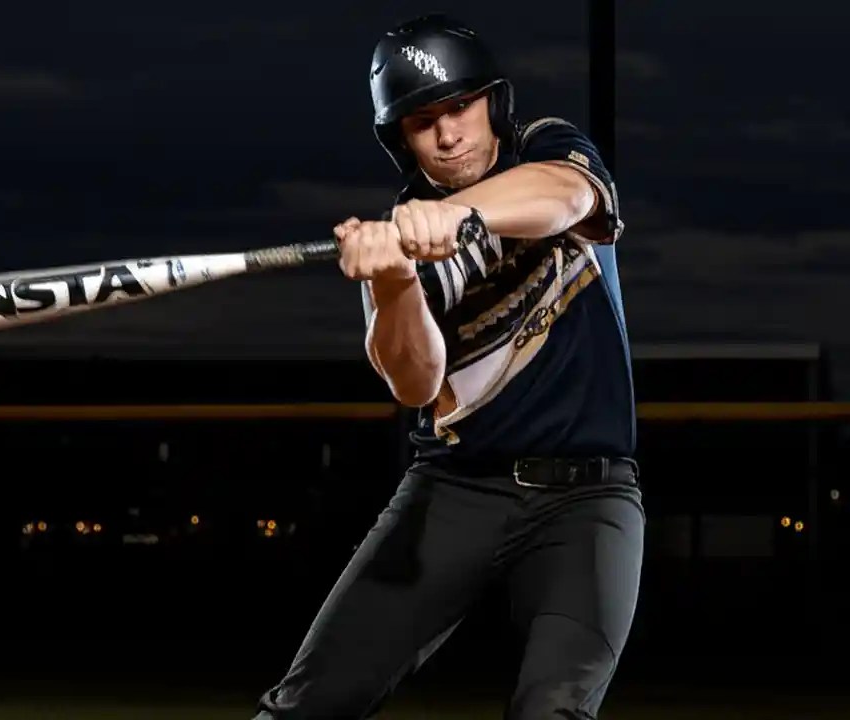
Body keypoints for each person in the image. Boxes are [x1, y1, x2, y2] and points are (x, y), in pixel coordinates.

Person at [253, 13, 644, 720]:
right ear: (401, 139)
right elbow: (416, 382)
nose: (449, 134)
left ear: (493, 102)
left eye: (461, 106)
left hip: (588, 498)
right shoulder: (400, 234)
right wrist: (393, 281)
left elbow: (568, 197)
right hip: (454, 491)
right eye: (422, 121)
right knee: (307, 707)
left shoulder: (544, 146)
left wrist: (459, 215)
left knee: (553, 710)